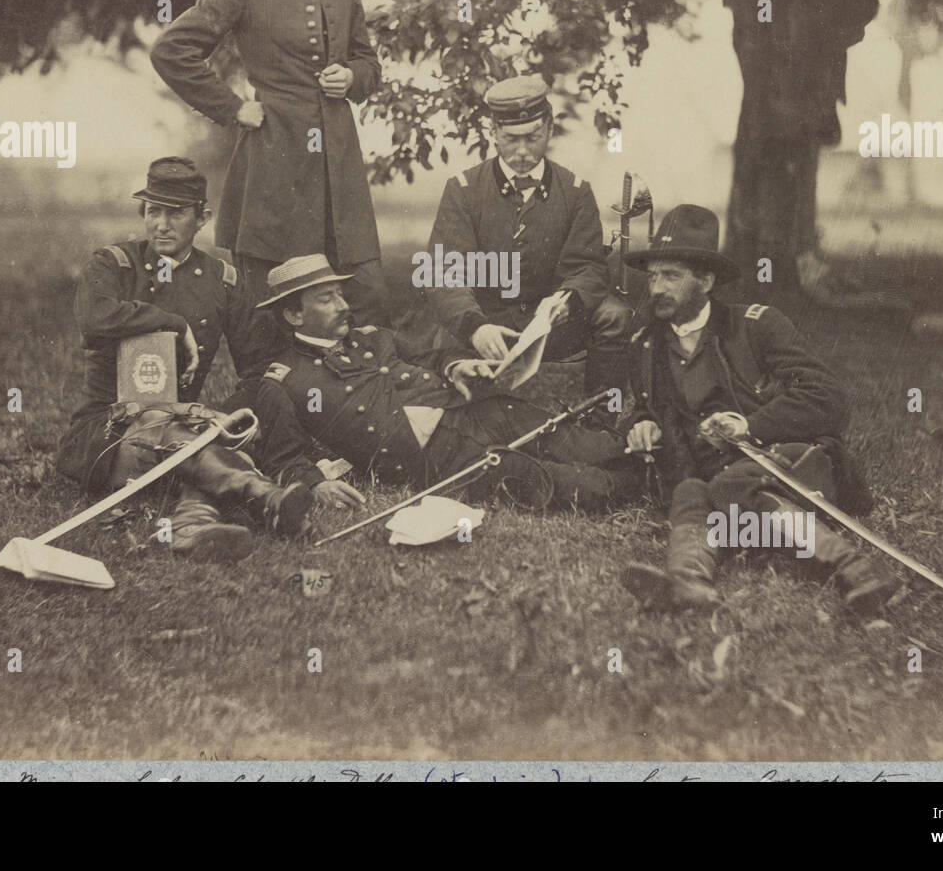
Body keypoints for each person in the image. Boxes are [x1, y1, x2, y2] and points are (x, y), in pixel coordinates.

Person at [53, 159, 358, 561]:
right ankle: (265, 496)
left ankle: (191, 527)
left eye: (176, 213)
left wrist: (223, 419)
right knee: (170, 428)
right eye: (153, 211)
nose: (161, 224)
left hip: (184, 431)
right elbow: (93, 321)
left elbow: (257, 368)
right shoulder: (113, 265)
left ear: (202, 218)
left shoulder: (222, 280)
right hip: (106, 436)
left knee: (224, 432)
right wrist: (173, 323)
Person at [616, 204, 899, 616]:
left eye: (672, 275)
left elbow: (827, 398)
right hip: (722, 488)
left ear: (706, 281)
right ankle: (689, 584)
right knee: (690, 490)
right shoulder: (647, 345)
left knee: (732, 484)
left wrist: (747, 424)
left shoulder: (756, 325)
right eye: (654, 275)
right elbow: (641, 407)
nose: (656, 288)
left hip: (795, 468)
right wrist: (640, 423)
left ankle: (858, 571)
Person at [149, 0, 385, 340]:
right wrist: (233, 107)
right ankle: (272, 397)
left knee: (363, 292)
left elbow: (369, 64)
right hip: (276, 162)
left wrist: (353, 76)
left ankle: (347, 393)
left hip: (337, 164)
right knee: (269, 302)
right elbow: (172, 49)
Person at [225, 254, 647, 513]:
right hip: (444, 456)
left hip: (484, 410)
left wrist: (458, 367)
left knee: (594, 446)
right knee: (579, 487)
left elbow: (434, 355)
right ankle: (659, 483)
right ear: (294, 316)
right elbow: (283, 457)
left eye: (340, 293)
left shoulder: (375, 336)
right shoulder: (283, 381)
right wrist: (316, 485)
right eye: (327, 298)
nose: (343, 305)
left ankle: (662, 457)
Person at [424, 75, 633, 401]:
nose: (522, 151)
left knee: (614, 315)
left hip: (550, 327)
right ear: (493, 133)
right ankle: (462, 417)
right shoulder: (463, 190)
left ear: (550, 128)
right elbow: (443, 274)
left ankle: (599, 416)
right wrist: (475, 327)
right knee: (449, 338)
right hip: (487, 325)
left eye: (533, 137)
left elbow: (589, 267)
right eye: (510, 139)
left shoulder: (576, 192)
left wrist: (567, 300)